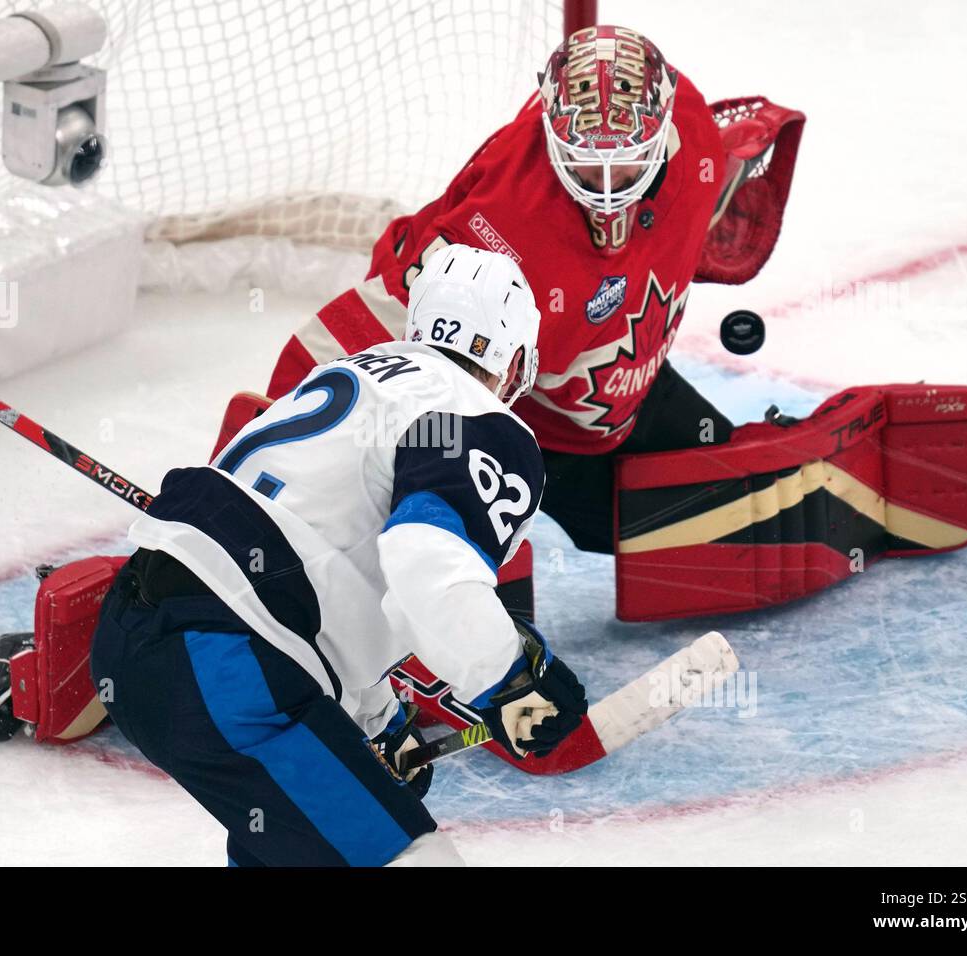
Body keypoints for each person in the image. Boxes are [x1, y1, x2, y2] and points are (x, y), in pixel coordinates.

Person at [89, 245, 588, 866]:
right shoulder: (475, 415)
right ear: (515, 359)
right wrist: (511, 677)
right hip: (229, 661)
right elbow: (425, 563)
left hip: (139, 644)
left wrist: (375, 718)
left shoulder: (360, 371)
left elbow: (331, 558)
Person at [263, 24, 807, 556]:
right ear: (551, 134)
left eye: (626, 161)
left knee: (740, 504)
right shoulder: (501, 234)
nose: (609, 188)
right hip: (534, 429)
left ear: (663, 125)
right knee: (453, 558)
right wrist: (267, 441)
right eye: (587, 165)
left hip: (626, 387)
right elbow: (360, 337)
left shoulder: (689, 120)